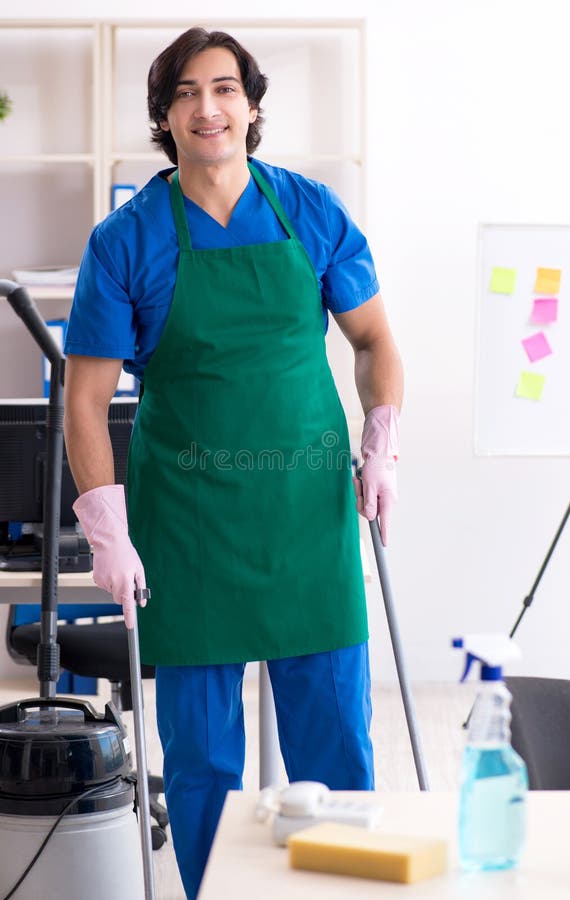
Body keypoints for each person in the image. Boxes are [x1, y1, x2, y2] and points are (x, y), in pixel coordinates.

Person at [63, 27, 403, 900]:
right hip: (190, 522)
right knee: (203, 759)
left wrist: (382, 440)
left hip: (307, 517)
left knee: (335, 740)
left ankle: (342, 890)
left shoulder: (311, 210)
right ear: (164, 115)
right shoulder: (126, 239)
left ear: (251, 107)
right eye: (184, 92)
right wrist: (106, 527)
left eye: (224, 89)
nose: (206, 108)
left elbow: (372, 342)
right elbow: (86, 401)